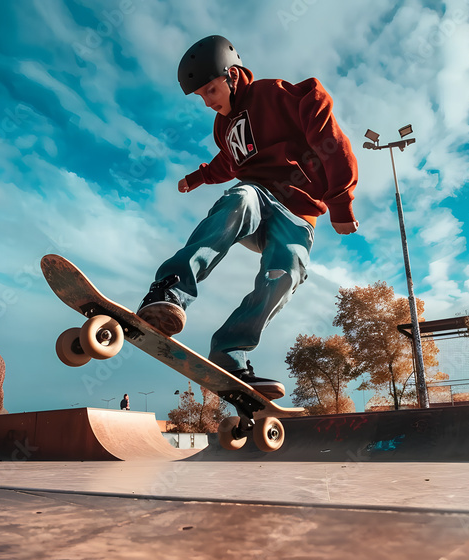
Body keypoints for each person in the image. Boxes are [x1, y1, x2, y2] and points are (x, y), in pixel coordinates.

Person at [137, 35, 359, 401]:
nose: (209, 102)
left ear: (233, 75)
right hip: (259, 201)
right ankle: (169, 292)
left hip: (299, 214)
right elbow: (230, 161)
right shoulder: (223, 128)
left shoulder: (271, 94)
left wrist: (341, 201)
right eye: (202, 97)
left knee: (287, 274)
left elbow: (324, 125)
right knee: (242, 197)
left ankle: (229, 350)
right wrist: (198, 177)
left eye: (211, 90)